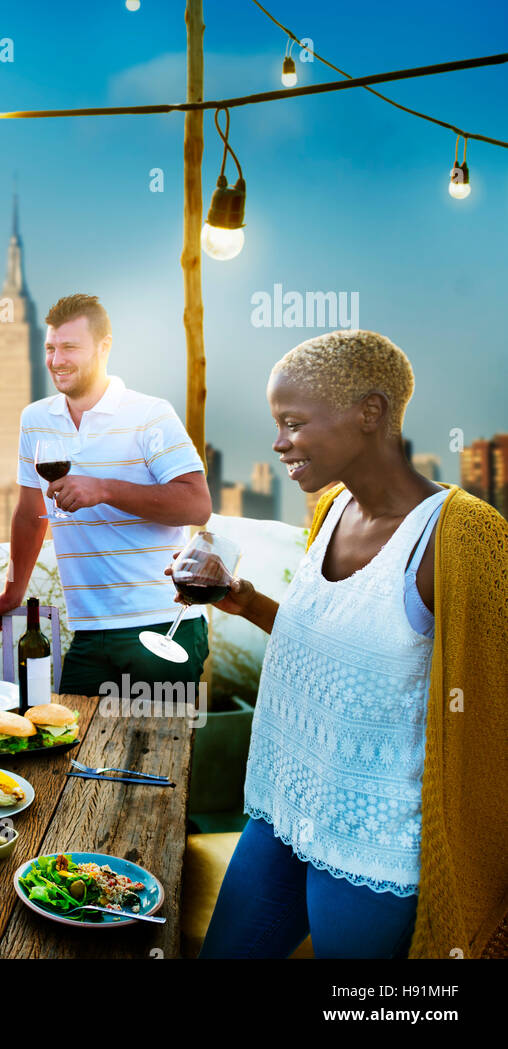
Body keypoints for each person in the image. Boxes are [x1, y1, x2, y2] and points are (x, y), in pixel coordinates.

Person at [198, 329, 508, 959]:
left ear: (369, 413)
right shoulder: (332, 508)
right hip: (286, 802)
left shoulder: (461, 537)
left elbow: (492, 712)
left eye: (293, 423)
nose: (280, 442)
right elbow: (336, 644)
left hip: (375, 841)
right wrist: (244, 600)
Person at [0, 294, 213, 693]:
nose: (56, 360)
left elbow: (197, 504)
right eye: (50, 348)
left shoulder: (149, 414)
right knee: (71, 750)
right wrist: (12, 591)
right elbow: (29, 513)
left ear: (104, 347)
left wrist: (104, 489)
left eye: (70, 347)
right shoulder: (35, 419)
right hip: (88, 630)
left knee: (159, 755)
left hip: (161, 625)